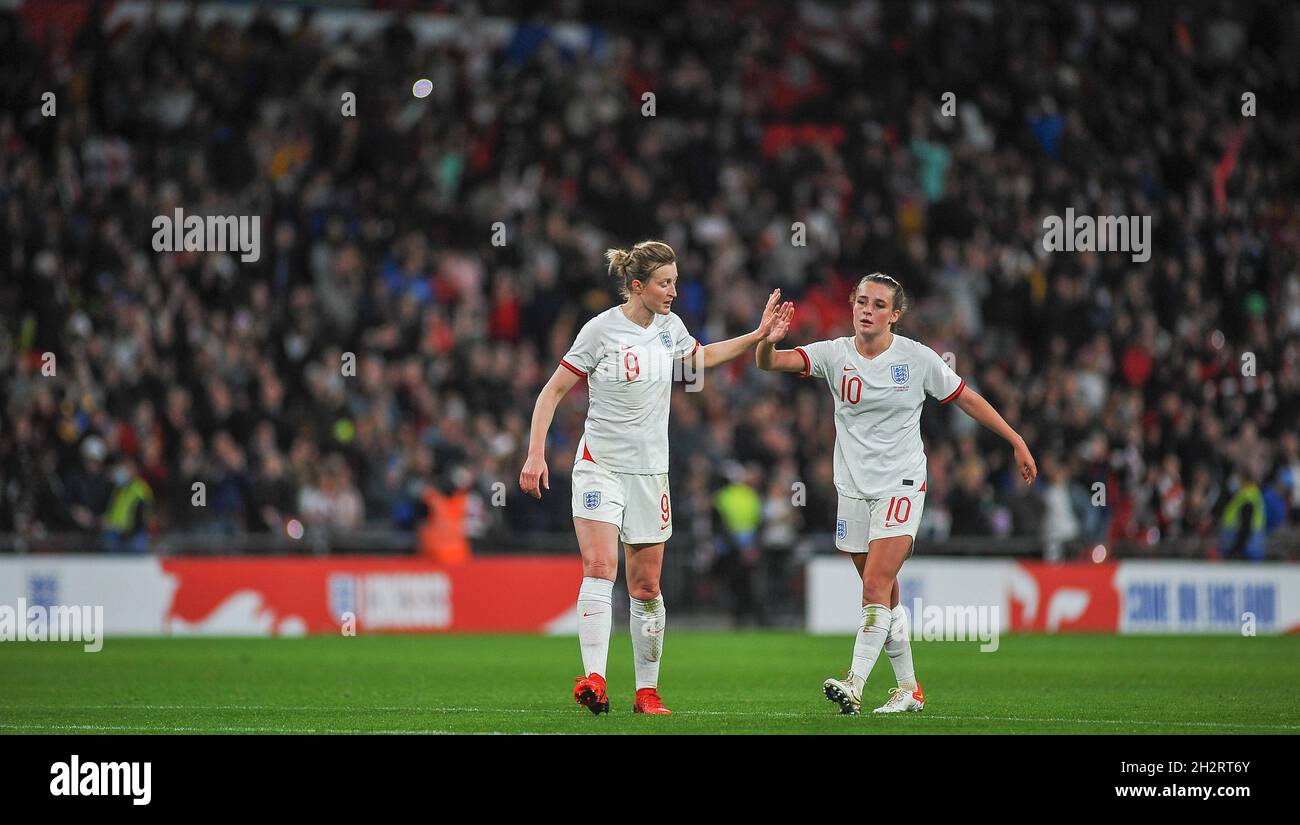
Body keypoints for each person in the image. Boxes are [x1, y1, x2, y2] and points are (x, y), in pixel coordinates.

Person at [519, 240, 787, 715]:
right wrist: (536, 454)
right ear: (638, 286)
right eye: (665, 283)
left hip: (650, 473)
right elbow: (551, 392)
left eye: (676, 282)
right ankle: (595, 680)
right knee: (600, 569)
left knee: (646, 588)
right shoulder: (600, 331)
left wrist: (757, 335)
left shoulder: (671, 328)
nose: (673, 291)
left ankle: (647, 692)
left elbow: (700, 360)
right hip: (600, 466)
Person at [756, 272, 1037, 714]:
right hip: (851, 488)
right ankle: (909, 689)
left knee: (874, 585)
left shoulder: (917, 359)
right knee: (884, 595)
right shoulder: (833, 354)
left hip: (902, 482)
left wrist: (1015, 438)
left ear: (895, 315)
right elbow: (769, 364)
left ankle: (854, 683)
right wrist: (765, 340)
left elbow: (966, 398)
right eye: (861, 301)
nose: (868, 310)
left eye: (879, 304)